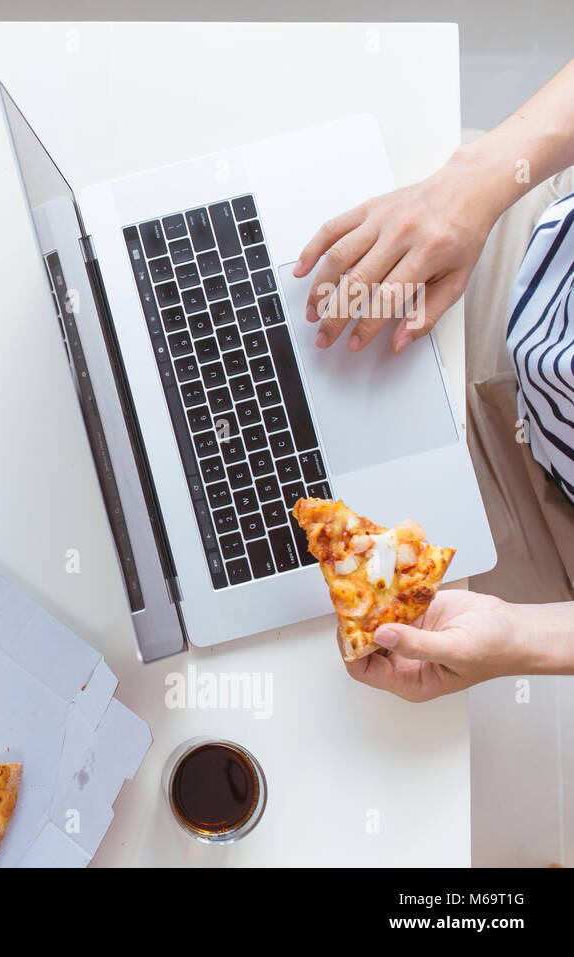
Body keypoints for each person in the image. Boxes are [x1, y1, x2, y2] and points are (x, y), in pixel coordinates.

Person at [293, 57, 574, 700]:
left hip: (549, 520)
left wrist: (525, 638)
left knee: (285, 623)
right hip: (521, 256)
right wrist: (474, 182)